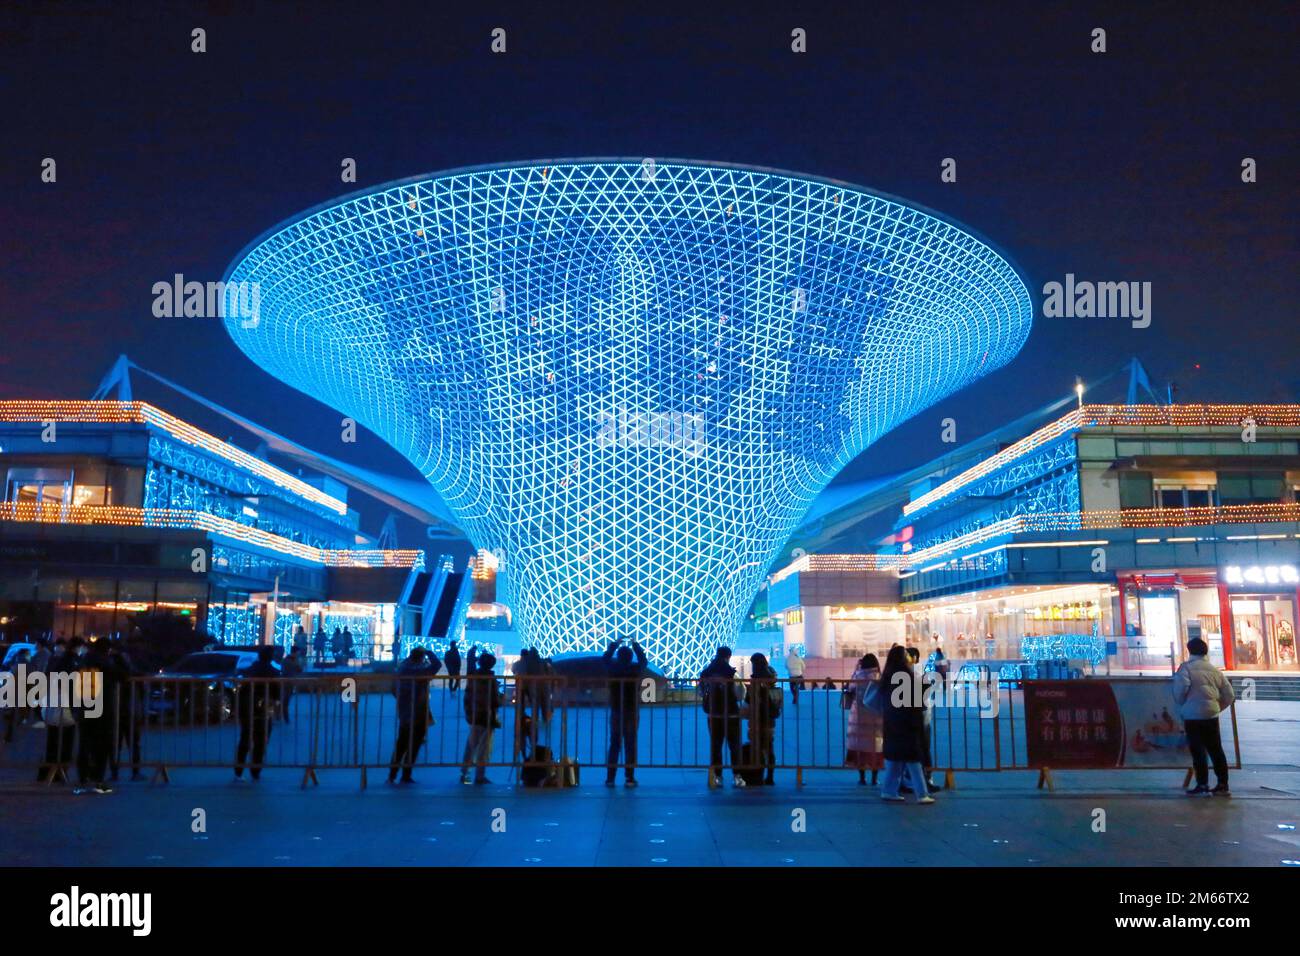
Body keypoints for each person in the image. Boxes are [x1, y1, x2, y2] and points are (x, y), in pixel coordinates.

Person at [1173, 636, 1235, 797]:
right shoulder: (1214, 670)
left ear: (1189, 650)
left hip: (1192, 716)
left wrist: (1184, 704)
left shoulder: (1185, 668)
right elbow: (1229, 695)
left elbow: (1180, 690)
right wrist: (1216, 708)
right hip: (1211, 716)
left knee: (1198, 750)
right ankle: (1222, 783)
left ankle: (1202, 784)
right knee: (1216, 749)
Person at [879, 645, 933, 804]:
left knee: (897, 758)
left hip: (892, 721)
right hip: (907, 721)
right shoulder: (905, 676)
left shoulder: (887, 675)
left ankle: (888, 790)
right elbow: (915, 698)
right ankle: (922, 794)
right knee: (913, 758)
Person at [388, 647, 441, 784]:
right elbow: (437, 665)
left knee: (401, 744)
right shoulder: (418, 671)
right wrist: (430, 653)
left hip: (405, 711)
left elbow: (393, 688)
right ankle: (406, 774)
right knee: (414, 745)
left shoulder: (402, 667)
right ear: (421, 658)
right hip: (417, 712)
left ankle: (392, 774)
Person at [602, 636, 648, 787]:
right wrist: (635, 644)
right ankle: (629, 777)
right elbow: (643, 661)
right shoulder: (634, 669)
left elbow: (605, 659)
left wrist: (614, 644)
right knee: (630, 744)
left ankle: (610, 778)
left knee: (614, 744)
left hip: (616, 710)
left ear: (618, 656)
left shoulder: (613, 669)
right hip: (631, 711)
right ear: (630, 657)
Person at [700, 646, 746, 788]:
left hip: (714, 714)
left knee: (716, 746)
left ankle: (717, 776)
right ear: (728, 657)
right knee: (734, 746)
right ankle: (737, 776)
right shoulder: (732, 673)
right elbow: (740, 694)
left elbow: (701, 692)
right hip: (731, 713)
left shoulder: (706, 672)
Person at [74, 639, 114, 795]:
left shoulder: (84, 661)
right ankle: (98, 778)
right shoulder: (105, 663)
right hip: (101, 707)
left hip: (86, 705)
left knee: (85, 743)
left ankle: (83, 778)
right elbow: (121, 674)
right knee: (101, 745)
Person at [234, 647, 281, 781]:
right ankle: (255, 771)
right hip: (263, 710)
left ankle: (238, 770)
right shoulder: (272, 672)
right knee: (260, 742)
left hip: (247, 708)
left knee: (245, 739)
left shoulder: (249, 671)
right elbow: (277, 693)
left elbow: (242, 690)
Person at [37, 638, 80, 784]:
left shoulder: (56, 662)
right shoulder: (72, 663)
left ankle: (47, 773)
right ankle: (59, 773)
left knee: (53, 742)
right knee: (65, 742)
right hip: (65, 710)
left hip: (53, 710)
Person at [460, 653, 500, 785]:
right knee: (483, 746)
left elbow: (467, 696)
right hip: (486, 716)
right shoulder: (490, 678)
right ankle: (479, 775)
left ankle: (465, 772)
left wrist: (468, 713)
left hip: (474, 715)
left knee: (471, 744)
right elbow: (494, 699)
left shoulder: (473, 677)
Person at [845, 653, 884, 786]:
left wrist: (856, 669)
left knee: (859, 744)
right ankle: (874, 778)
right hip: (875, 715)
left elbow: (850, 688)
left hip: (858, 716)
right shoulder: (878, 676)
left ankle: (862, 778)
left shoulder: (858, 676)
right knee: (876, 745)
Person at [106, 644, 142, 781]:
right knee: (131, 743)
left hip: (118, 711)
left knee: (117, 744)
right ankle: (134, 772)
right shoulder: (129, 672)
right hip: (127, 711)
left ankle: (115, 772)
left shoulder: (111, 669)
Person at [906, 646, 939, 791]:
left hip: (916, 717)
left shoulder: (913, 673)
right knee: (922, 749)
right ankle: (925, 780)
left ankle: (920, 781)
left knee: (916, 750)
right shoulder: (920, 673)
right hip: (922, 717)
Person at [747, 652, 779, 785]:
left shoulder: (756, 679)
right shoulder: (771, 676)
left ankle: (758, 775)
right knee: (769, 747)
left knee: (757, 747)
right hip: (769, 717)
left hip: (757, 717)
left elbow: (749, 699)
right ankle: (770, 776)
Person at [280, 646, 305, 722]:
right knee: (286, 700)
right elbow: (299, 669)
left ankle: (282, 716)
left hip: (287, 681)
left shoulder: (286, 660)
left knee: (284, 700)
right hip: (289, 682)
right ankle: (285, 716)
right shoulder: (292, 661)